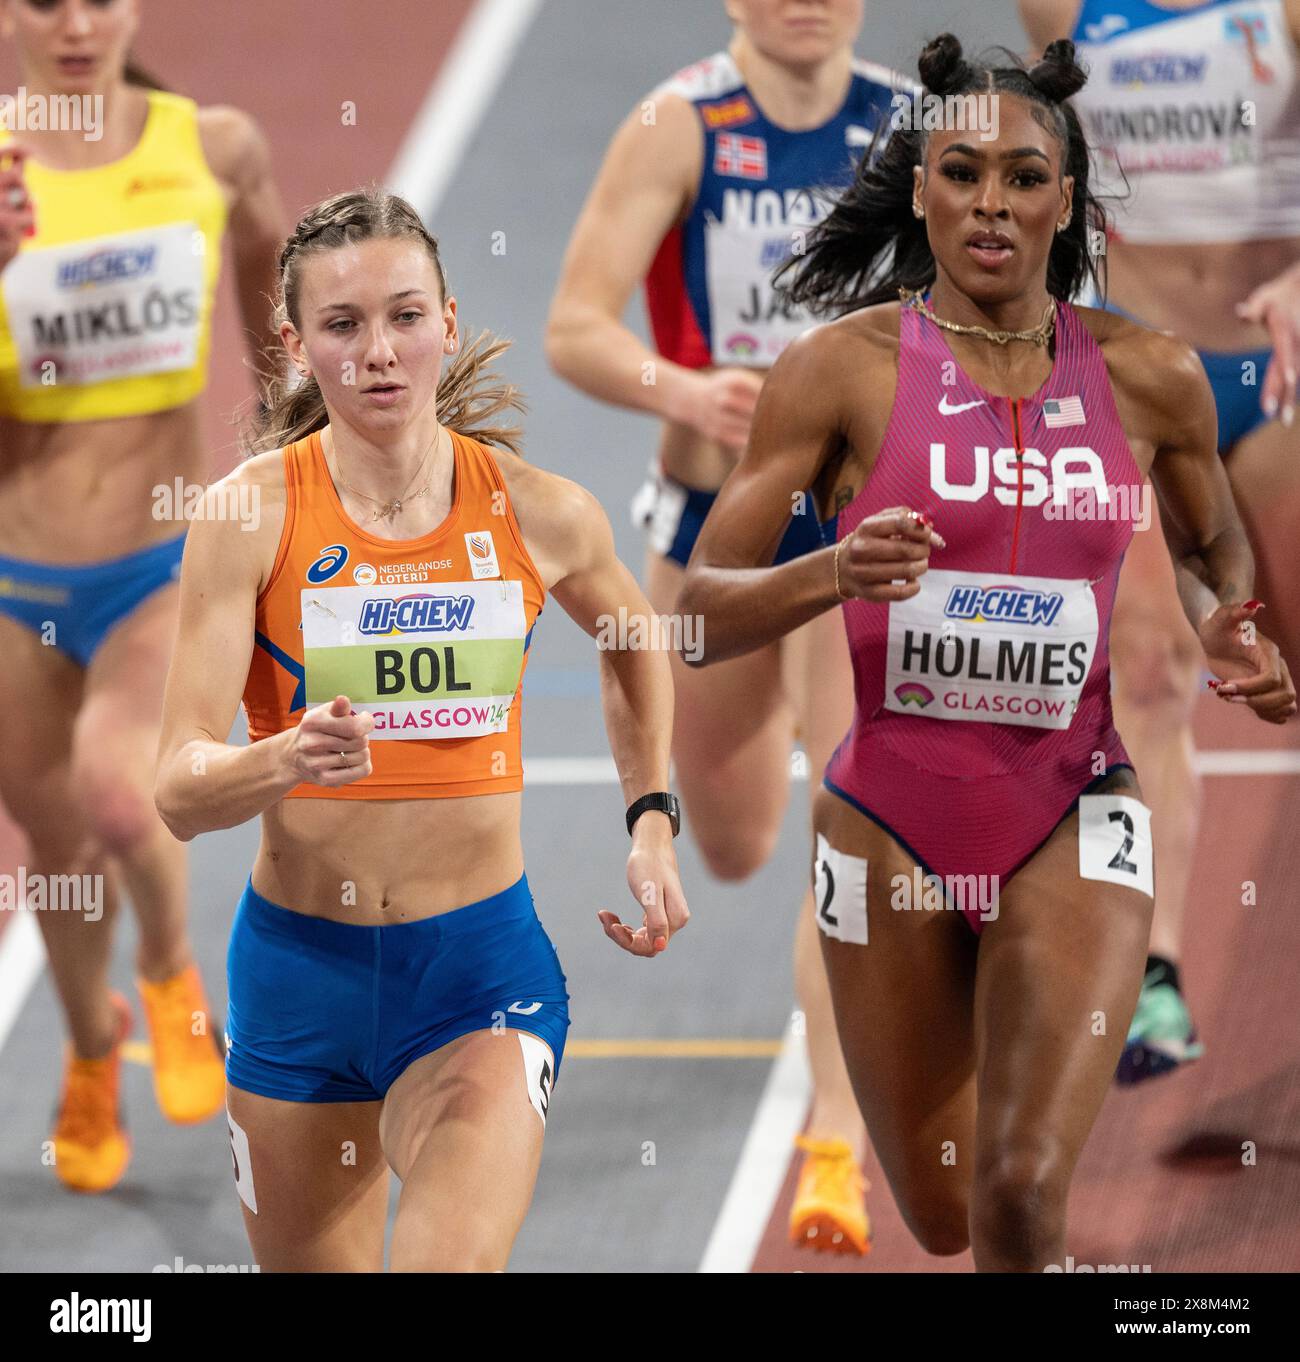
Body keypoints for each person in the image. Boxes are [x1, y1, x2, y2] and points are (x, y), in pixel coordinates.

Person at [677, 33, 1294, 1270]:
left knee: (1017, 1191)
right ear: (919, 187)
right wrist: (829, 571)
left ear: (1066, 199)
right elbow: (696, 617)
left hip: (1075, 807)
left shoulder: (1148, 376)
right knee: (946, 1211)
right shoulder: (834, 373)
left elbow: (1210, 546)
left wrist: (1230, 620)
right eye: (963, 173)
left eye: (1024, 177)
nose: (993, 203)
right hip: (884, 821)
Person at [153, 188, 690, 1271]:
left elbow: (635, 637)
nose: (380, 352)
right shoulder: (248, 516)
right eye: (343, 327)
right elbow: (176, 788)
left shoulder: (539, 512)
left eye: (404, 317)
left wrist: (649, 817)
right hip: (298, 977)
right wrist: (278, 758)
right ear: (296, 346)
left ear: (447, 320)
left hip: (477, 979)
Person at [546, 0, 909, 1255]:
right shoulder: (679, 123)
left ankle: (831, 1147)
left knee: (840, 837)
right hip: (713, 522)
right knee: (741, 834)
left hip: (859, 524)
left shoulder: (910, 129)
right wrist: (689, 388)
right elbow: (575, 325)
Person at [0, 0, 285, 1192]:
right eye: (43, 1)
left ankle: (170, 970)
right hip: (18, 579)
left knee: (123, 800)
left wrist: (286, 440)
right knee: (55, 850)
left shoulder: (212, 147)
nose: (74, 24)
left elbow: (277, 300)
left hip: (158, 564)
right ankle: (88, 1044)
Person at [1020, 0, 1300, 1082]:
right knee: (1144, 663)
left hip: (1266, 374)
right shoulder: (1066, 7)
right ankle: (1153, 973)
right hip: (1131, 369)